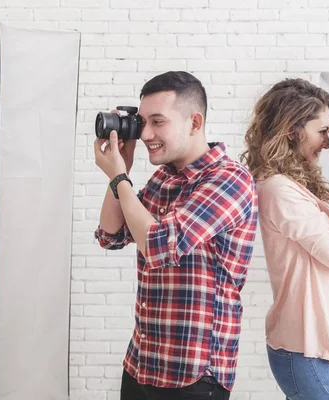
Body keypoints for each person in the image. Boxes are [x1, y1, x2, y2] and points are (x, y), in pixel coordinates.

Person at [93, 71, 258, 400]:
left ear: (194, 123)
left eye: (158, 122)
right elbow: (111, 235)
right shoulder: (162, 180)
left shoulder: (230, 179)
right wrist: (120, 169)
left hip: (193, 374)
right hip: (143, 362)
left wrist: (120, 179)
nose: (147, 134)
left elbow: (158, 245)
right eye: (142, 123)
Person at [239, 78, 329, 400]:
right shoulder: (278, 188)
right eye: (321, 132)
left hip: (313, 347)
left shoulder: (295, 182)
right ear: (292, 129)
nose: (327, 142)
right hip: (307, 351)